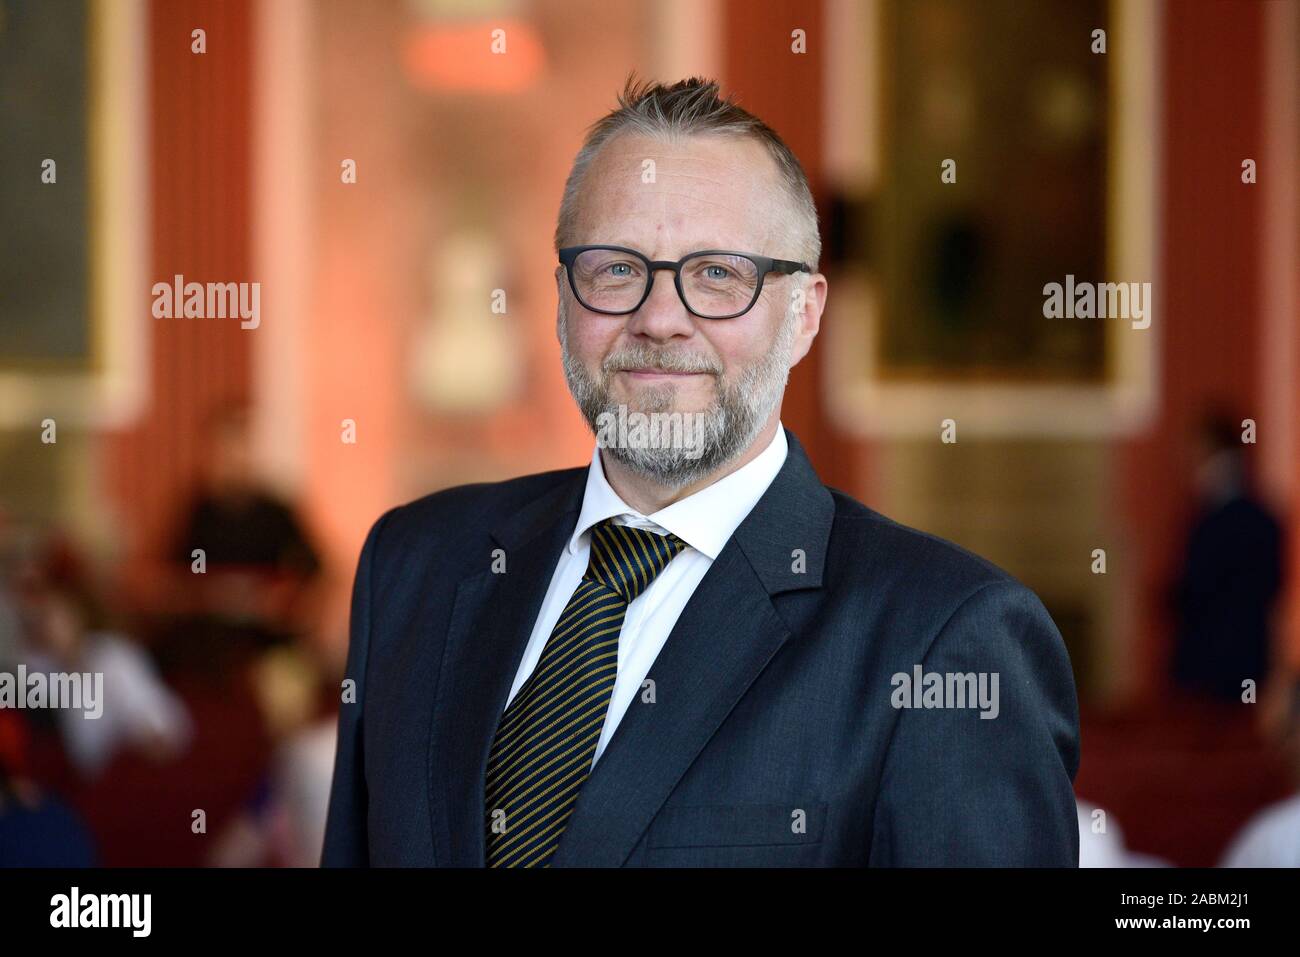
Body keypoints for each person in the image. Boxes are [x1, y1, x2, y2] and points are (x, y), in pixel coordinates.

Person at [322, 76, 1080, 867]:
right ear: (560, 301)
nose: (659, 317)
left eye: (719, 273)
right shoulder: (413, 564)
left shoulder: (947, 635)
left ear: (805, 314)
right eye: (616, 269)